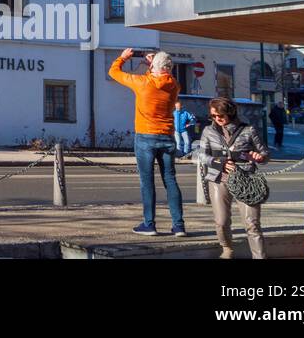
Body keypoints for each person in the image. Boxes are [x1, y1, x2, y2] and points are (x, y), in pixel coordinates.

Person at [109, 48, 184, 237]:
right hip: (167, 137)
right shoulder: (174, 85)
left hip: (145, 136)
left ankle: (149, 224)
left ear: (153, 67)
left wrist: (123, 58)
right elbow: (160, 79)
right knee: (170, 180)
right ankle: (178, 225)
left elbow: (114, 72)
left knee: (147, 181)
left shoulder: (142, 83)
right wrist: (153, 65)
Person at [196, 96, 270, 259]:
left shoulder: (248, 130)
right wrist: (217, 162)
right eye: (213, 116)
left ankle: (259, 257)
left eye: (220, 115)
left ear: (230, 113)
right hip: (219, 179)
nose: (217, 119)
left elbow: (265, 154)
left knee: (252, 223)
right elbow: (201, 156)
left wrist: (258, 157)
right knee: (221, 221)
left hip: (247, 179)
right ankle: (227, 249)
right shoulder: (209, 131)